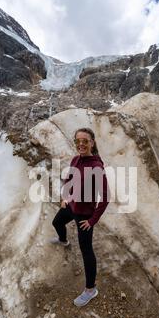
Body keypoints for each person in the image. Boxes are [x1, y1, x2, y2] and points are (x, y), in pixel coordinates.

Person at [50, 127, 109, 307]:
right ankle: (63, 240)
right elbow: (70, 179)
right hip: (72, 206)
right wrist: (65, 197)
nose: (81, 144)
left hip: (85, 215)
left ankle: (91, 290)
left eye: (85, 141)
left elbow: (105, 197)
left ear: (92, 143)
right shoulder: (76, 159)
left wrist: (92, 221)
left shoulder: (97, 167)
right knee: (57, 222)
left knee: (86, 251)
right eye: (78, 141)